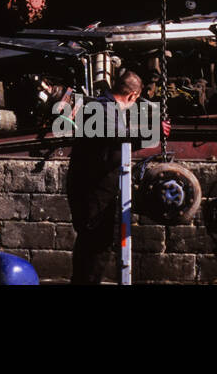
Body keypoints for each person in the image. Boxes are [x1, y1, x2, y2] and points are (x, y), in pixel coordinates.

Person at [65, 68, 144, 285]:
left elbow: (116, 142)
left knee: (95, 245)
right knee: (95, 245)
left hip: (96, 189)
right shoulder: (100, 108)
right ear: (132, 96)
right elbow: (113, 136)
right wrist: (146, 135)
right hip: (91, 190)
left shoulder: (107, 109)